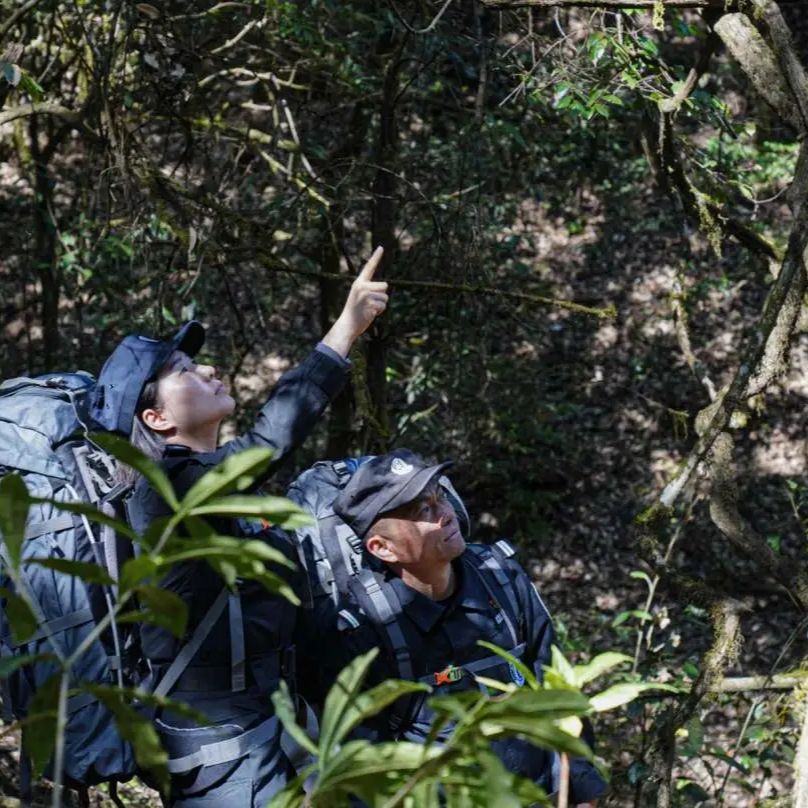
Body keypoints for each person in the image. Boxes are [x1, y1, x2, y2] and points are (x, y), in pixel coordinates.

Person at [90, 247, 388, 806]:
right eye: (182, 371)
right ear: (156, 418)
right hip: (220, 757)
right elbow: (269, 442)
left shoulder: (216, 493)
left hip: (269, 725)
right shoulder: (162, 493)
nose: (206, 368)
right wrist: (345, 331)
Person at [322, 449, 606, 807]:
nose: (444, 513)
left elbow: (554, 683)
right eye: (423, 510)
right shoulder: (364, 629)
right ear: (383, 548)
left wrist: (582, 790)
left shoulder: (500, 577)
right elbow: (365, 764)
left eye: (439, 496)